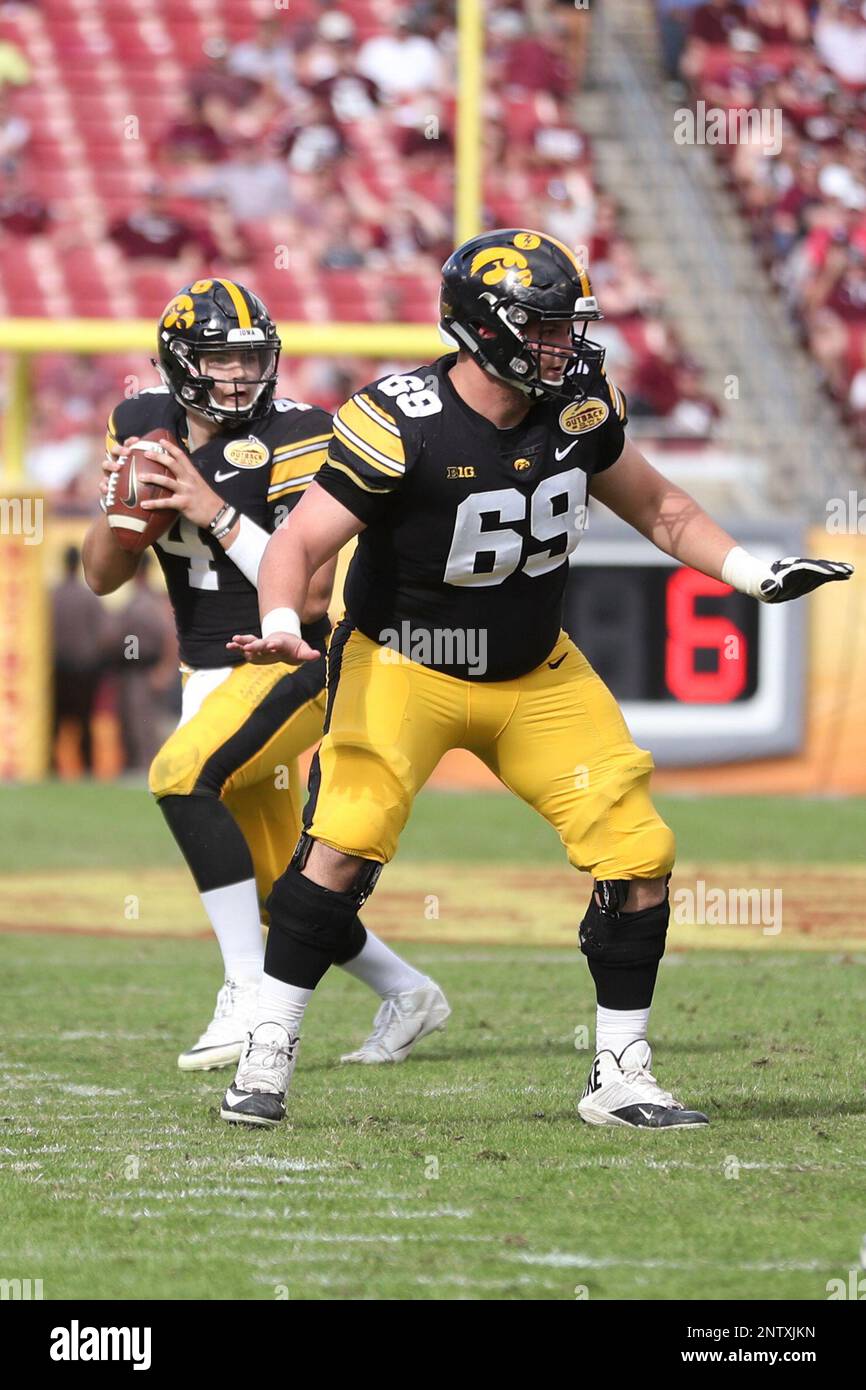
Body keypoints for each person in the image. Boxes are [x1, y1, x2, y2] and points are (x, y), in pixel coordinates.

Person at [221, 229, 853, 1128]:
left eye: (569, 328)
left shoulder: (581, 402)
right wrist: (284, 621)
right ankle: (269, 1048)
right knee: (345, 841)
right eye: (547, 329)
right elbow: (299, 541)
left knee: (639, 852)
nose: (568, 346)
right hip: (406, 662)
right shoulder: (400, 419)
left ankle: (620, 1073)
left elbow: (664, 511)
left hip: (533, 670)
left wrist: (754, 573)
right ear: (486, 329)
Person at [82, 277, 449, 1071]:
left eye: (251, 359)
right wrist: (121, 515)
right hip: (205, 670)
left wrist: (207, 505)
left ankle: (248, 995)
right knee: (283, 891)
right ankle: (408, 991)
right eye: (220, 360)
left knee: (180, 776)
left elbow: (312, 591)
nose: (240, 377)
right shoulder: (139, 422)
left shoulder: (303, 433)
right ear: (180, 364)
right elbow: (101, 577)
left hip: (297, 659)